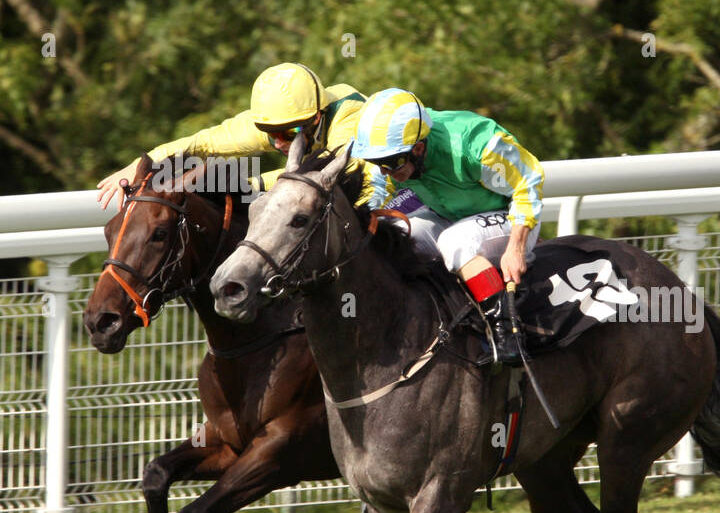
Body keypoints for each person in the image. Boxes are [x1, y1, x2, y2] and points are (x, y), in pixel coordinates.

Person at [351, 88, 543, 365]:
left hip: (510, 217)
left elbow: (529, 182)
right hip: (448, 215)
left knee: (455, 242)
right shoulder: (390, 154)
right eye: (377, 163)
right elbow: (373, 197)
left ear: (418, 148)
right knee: (393, 234)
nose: (384, 171)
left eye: (390, 164)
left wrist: (516, 247)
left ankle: (507, 330)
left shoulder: (475, 143)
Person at [96, 62, 384, 209]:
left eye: (288, 133)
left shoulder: (348, 116)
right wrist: (143, 162)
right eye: (270, 134)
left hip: (396, 195)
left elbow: (317, 174)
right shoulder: (281, 119)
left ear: (317, 117)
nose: (280, 142)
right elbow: (205, 143)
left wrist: (235, 185)